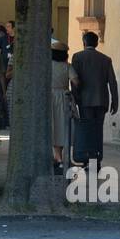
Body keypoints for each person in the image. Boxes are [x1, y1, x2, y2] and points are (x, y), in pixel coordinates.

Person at [71, 31, 117, 167]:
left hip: (85, 101)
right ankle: (97, 159)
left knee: (87, 130)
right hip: (101, 100)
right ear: (97, 43)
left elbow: (75, 81)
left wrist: (74, 98)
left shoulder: (77, 57)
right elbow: (112, 81)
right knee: (98, 130)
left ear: (84, 42)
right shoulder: (106, 59)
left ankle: (88, 158)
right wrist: (115, 100)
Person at [50, 40, 79, 173]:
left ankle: (57, 158)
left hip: (49, 97)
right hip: (63, 96)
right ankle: (59, 157)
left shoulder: (47, 66)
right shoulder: (67, 66)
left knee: (52, 125)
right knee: (62, 126)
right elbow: (76, 81)